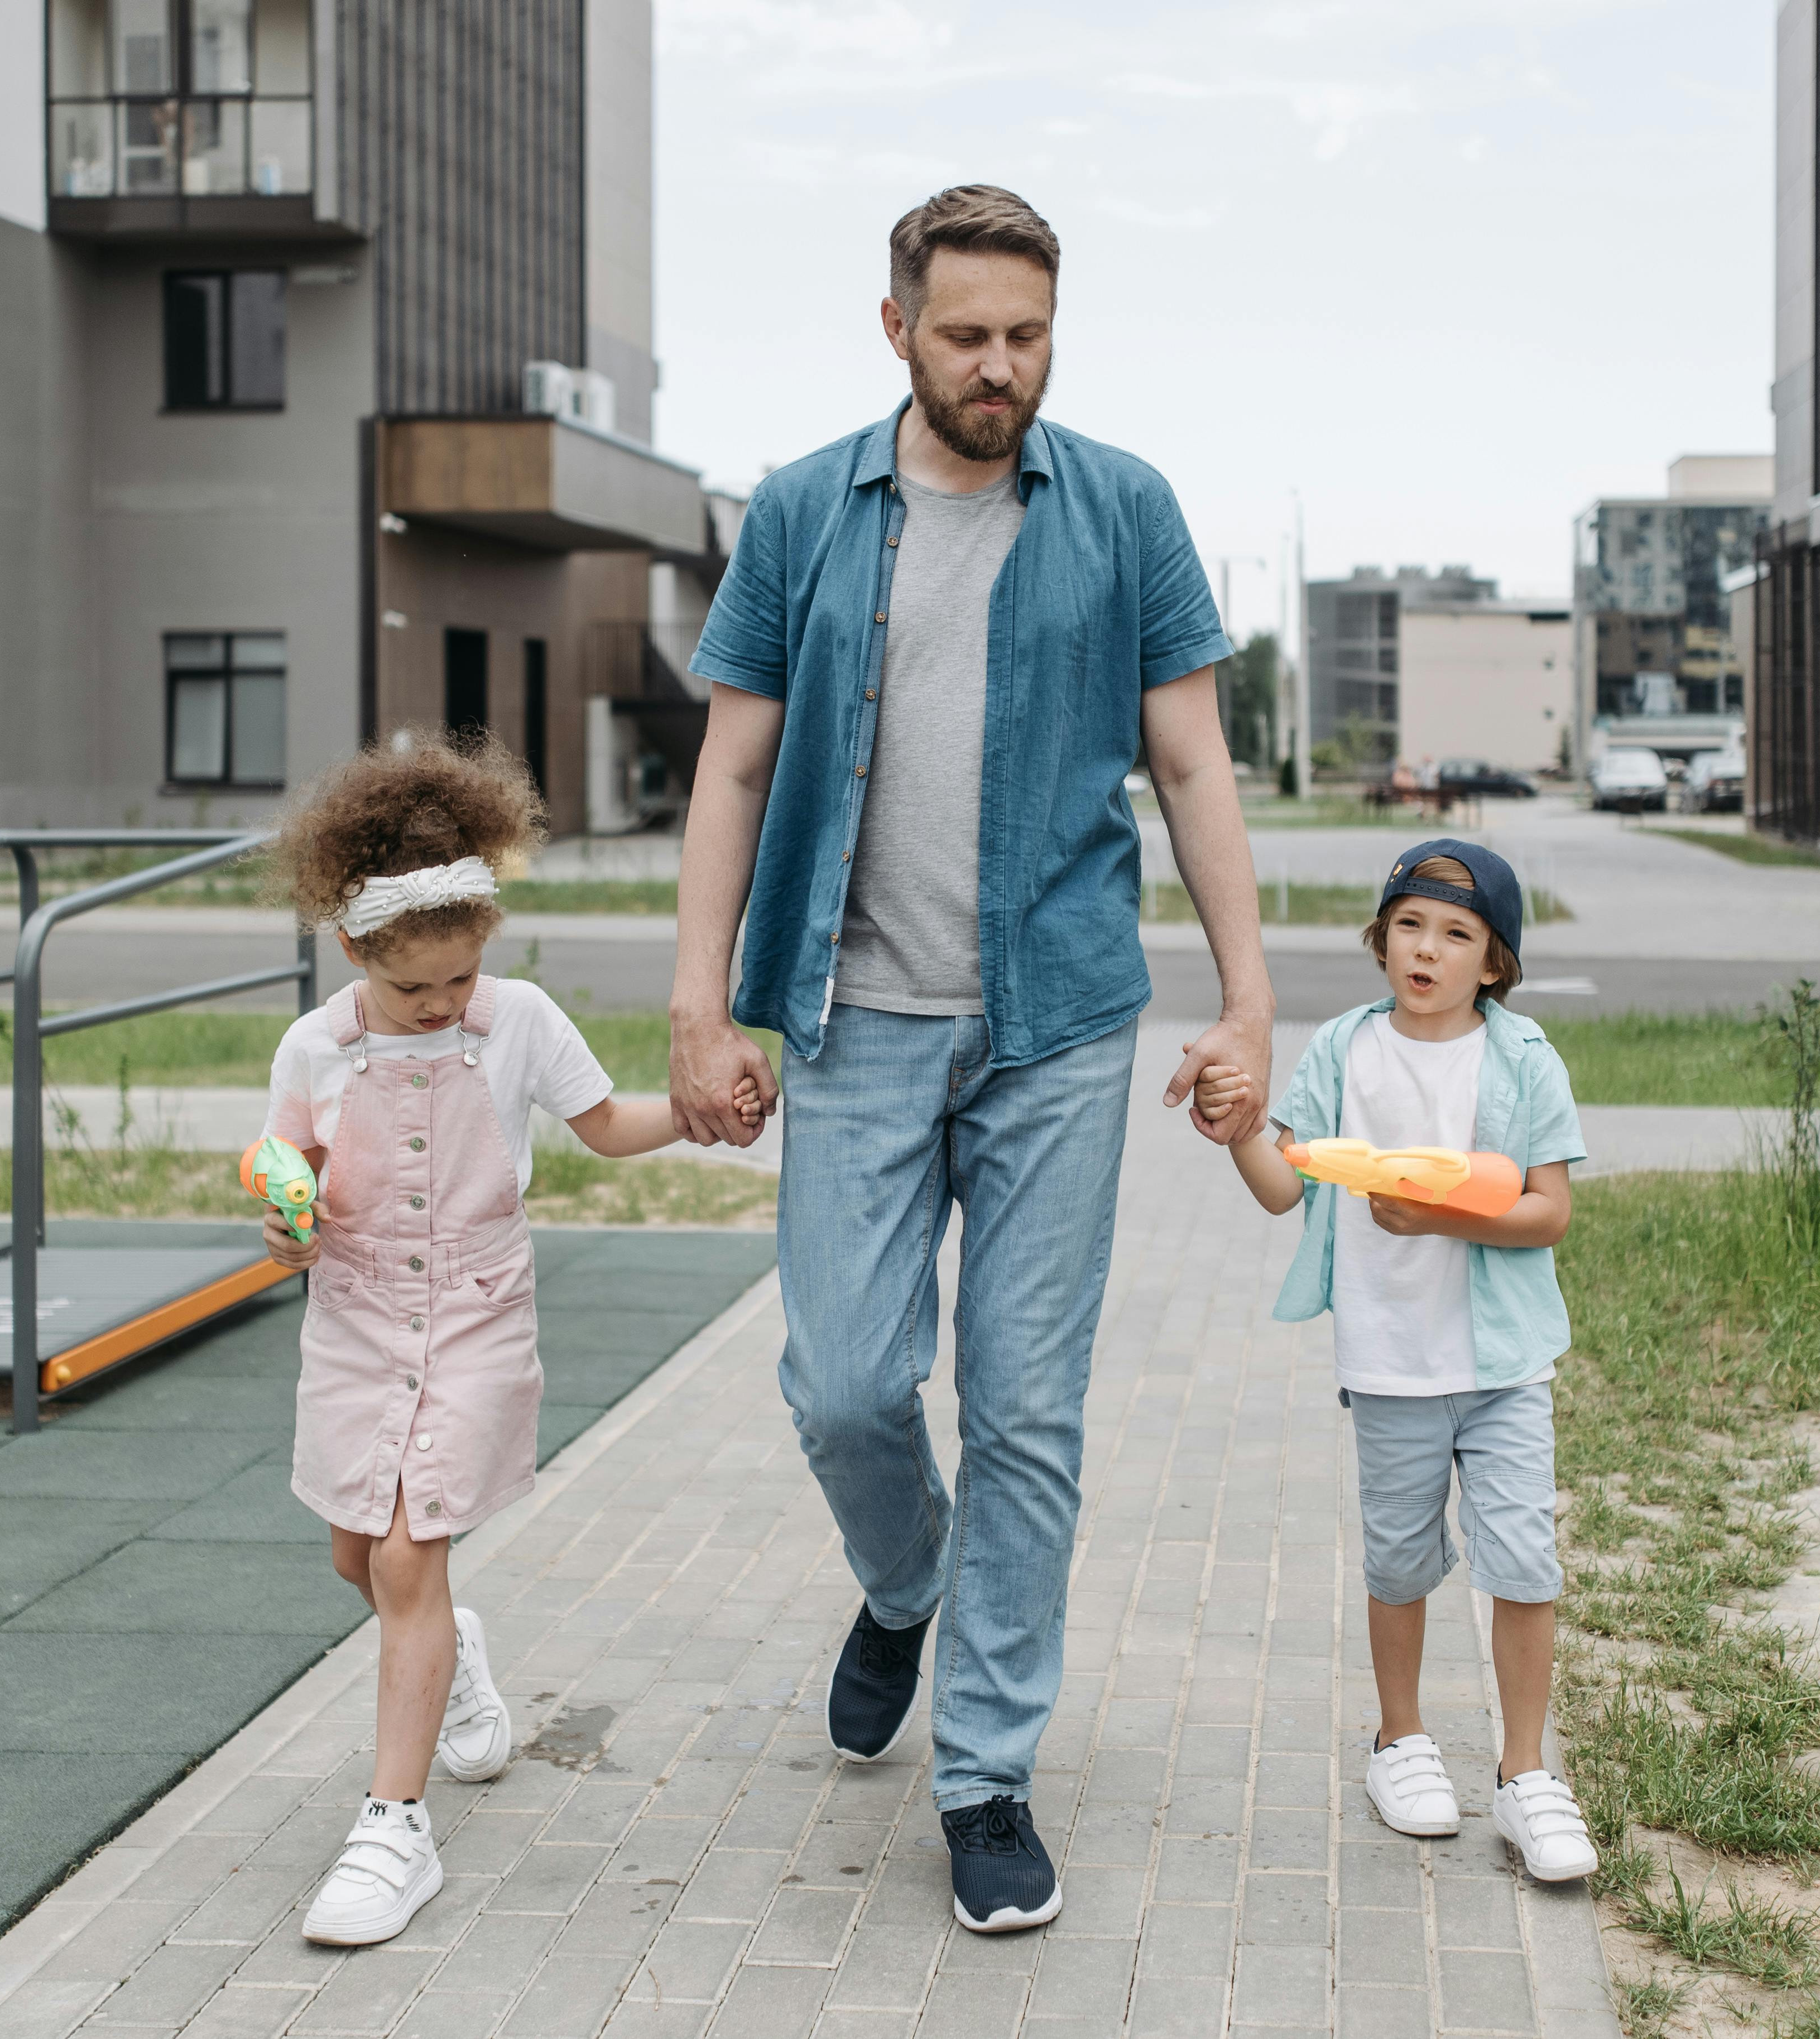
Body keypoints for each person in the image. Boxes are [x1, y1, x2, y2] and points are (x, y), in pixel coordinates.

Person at [667, 184, 1276, 1934]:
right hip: (850, 1021)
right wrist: (703, 1008)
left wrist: (1245, 999)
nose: (999, 366)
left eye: (1026, 333)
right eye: (966, 335)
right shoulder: (798, 513)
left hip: (1060, 1027)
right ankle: (905, 1572)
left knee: (1025, 1408)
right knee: (845, 1383)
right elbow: (729, 775)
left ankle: (986, 1768)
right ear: (895, 331)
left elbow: (1195, 771)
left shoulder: (1123, 508)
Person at [259, 732, 757, 1945]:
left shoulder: (518, 1020)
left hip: (477, 1317)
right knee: (356, 1561)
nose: (439, 1007)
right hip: (358, 1322)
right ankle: (457, 1661)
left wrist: (698, 1115)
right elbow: (287, 1172)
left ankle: (392, 1828)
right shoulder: (314, 1048)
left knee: (407, 1557)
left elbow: (601, 1124)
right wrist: (282, 1228)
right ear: (353, 948)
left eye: (458, 983)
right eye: (413, 989)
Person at [1193, 842, 1599, 1882]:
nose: (1427, 949)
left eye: (1456, 934)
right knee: (1400, 1559)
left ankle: (1523, 1771)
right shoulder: (1342, 1050)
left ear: (1493, 964)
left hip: (1503, 1364)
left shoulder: (1524, 1059)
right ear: (1382, 939)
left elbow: (1548, 1209)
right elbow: (1288, 1185)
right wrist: (1236, 1128)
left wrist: (1438, 1215)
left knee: (1523, 1560)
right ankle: (1400, 1741)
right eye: (1410, 925)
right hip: (1390, 1363)